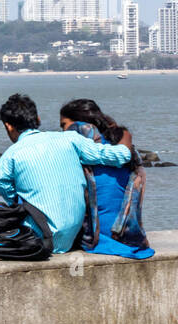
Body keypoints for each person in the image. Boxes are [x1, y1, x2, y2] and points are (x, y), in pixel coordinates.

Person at [0, 94, 135, 254]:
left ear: (8, 126)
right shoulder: (71, 139)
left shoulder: (8, 159)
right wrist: (126, 136)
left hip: (39, 238)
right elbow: (120, 155)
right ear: (38, 119)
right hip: (72, 236)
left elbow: (12, 200)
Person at [59, 98, 153, 259]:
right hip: (126, 233)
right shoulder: (121, 139)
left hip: (96, 236)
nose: (62, 130)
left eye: (63, 125)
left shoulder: (76, 136)